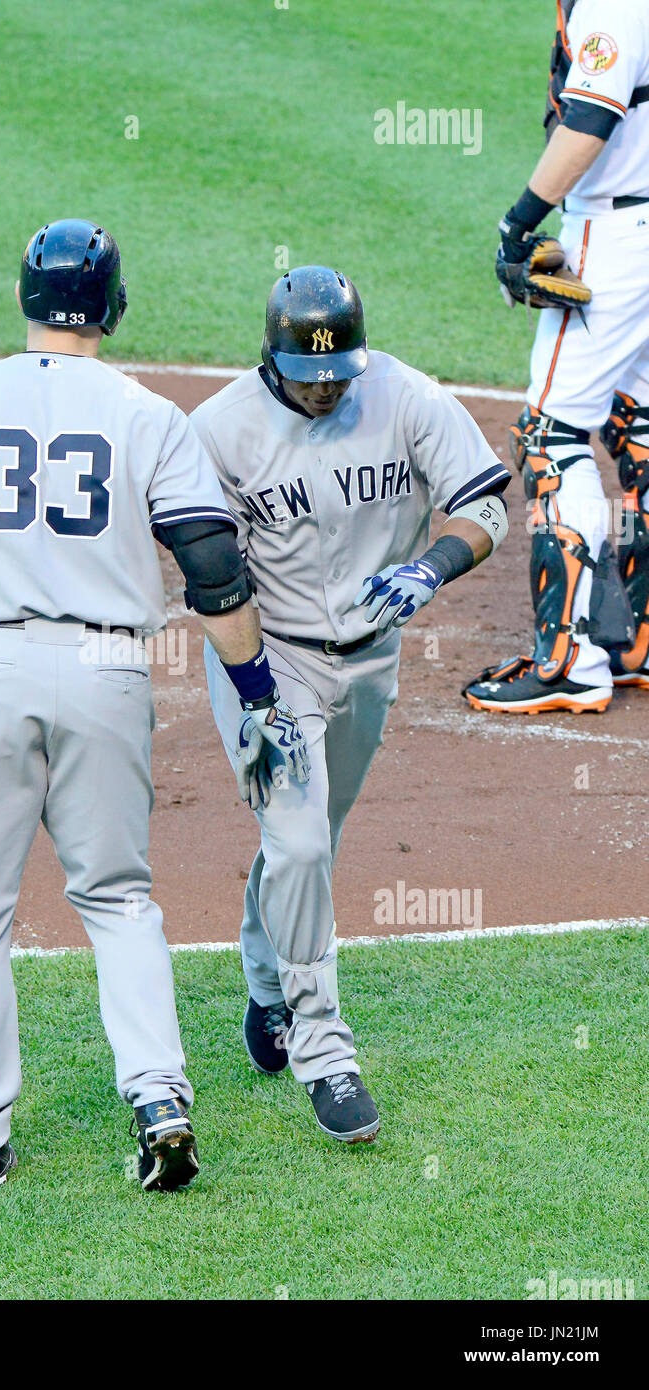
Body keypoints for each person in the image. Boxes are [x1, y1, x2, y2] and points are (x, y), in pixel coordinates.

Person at [0, 219, 308, 1189]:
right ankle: (161, 1097)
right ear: (115, 308)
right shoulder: (149, 415)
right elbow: (213, 569)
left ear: (23, 300)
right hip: (107, 674)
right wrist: (258, 694)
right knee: (120, 896)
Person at [191, 267, 511, 1143]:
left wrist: (433, 567)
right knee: (297, 839)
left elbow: (485, 506)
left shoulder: (403, 396)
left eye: (340, 372)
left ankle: (263, 983)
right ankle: (323, 1051)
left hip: (370, 661)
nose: (328, 386)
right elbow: (213, 580)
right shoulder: (219, 431)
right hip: (269, 656)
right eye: (309, 374)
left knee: (310, 843)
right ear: (272, 357)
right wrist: (256, 693)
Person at [464, 0, 649, 713]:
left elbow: (590, 120)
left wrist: (519, 221)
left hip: (618, 231)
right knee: (637, 428)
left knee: (550, 437)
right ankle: (634, 639)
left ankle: (570, 658)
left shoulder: (612, 4)